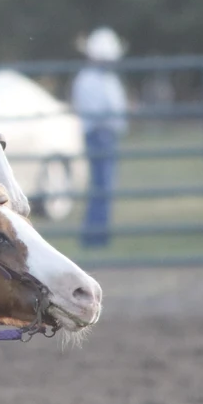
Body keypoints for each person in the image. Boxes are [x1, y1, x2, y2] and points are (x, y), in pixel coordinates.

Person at [71, 27, 129, 248]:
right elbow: (98, 111)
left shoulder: (102, 78)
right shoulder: (89, 79)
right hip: (99, 134)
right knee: (101, 186)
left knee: (103, 185)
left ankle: (99, 234)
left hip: (105, 134)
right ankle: (96, 236)